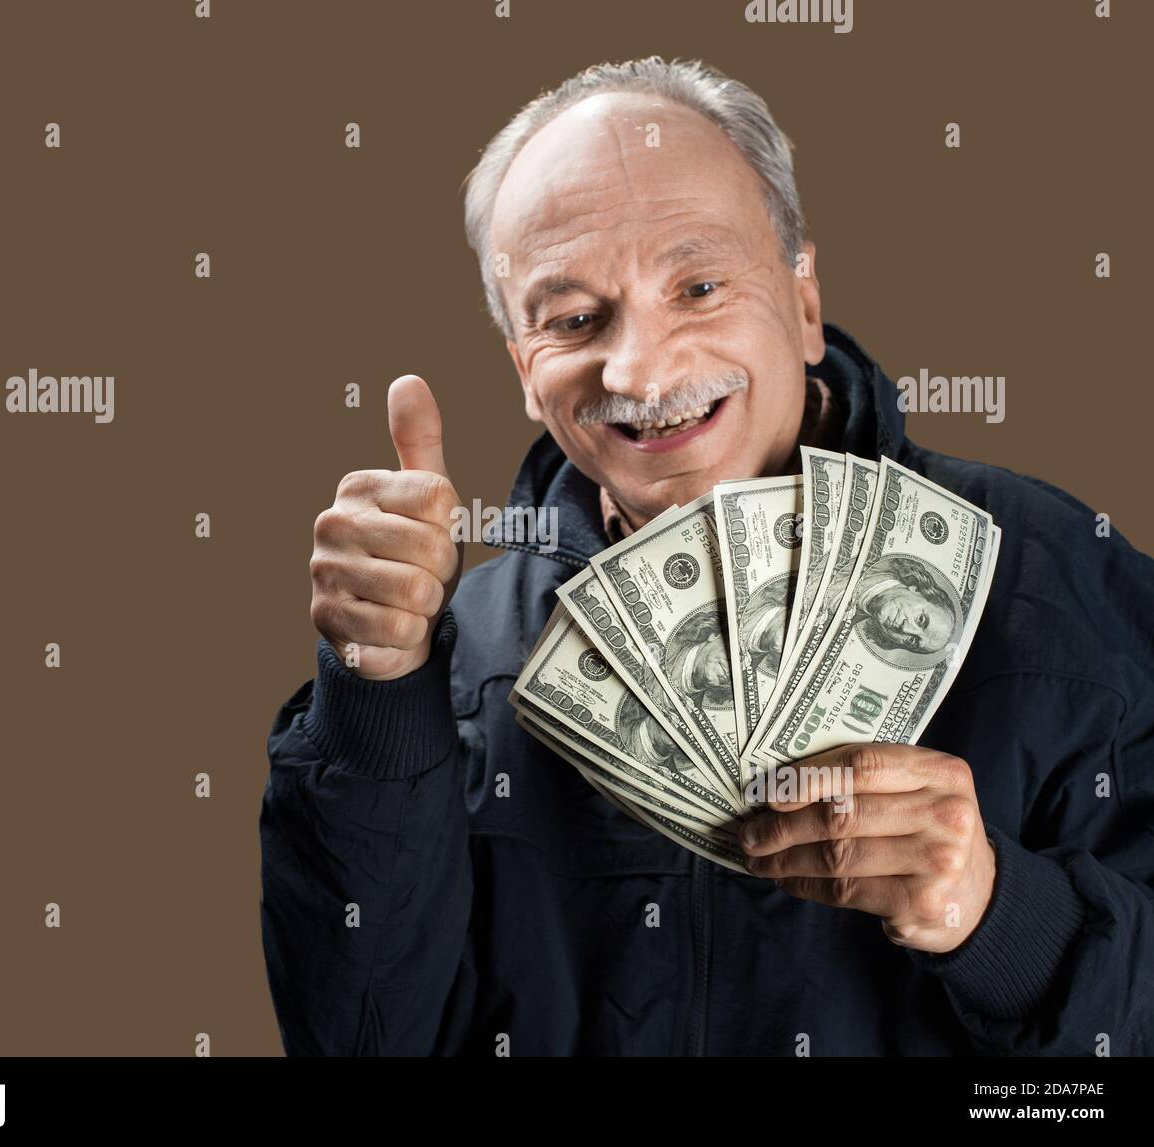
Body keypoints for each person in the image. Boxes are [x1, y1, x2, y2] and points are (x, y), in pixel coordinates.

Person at [260, 56, 1154, 1055]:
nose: (640, 366)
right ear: (523, 369)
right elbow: (365, 1041)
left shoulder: (1064, 577)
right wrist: (375, 695)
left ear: (803, 300)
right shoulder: (451, 651)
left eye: (696, 283)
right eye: (572, 319)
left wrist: (1002, 916)